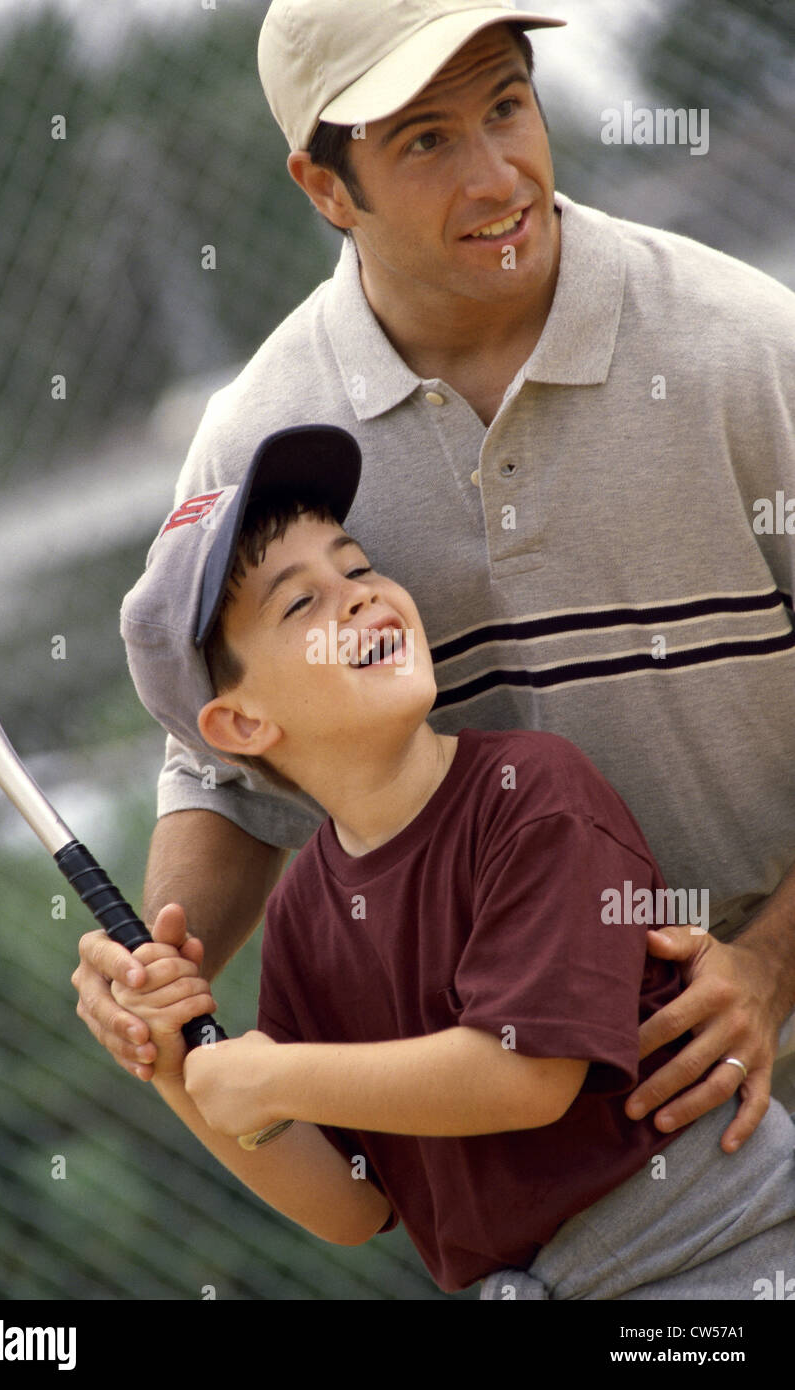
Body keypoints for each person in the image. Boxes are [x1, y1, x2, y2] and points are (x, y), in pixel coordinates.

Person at [74, 0, 795, 1152]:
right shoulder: (257, 436)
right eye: (426, 140)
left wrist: (766, 968)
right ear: (323, 187)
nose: (499, 173)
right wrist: (164, 970)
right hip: (534, 1140)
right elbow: (226, 769)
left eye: (508, 104)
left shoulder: (749, 349)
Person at [112, 423, 794, 1299]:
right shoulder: (305, 916)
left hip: (715, 1252)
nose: (357, 598)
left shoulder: (534, 796)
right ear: (243, 726)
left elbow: (524, 1075)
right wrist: (182, 1069)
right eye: (300, 604)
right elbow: (351, 1209)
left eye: (356, 568)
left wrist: (272, 1075)